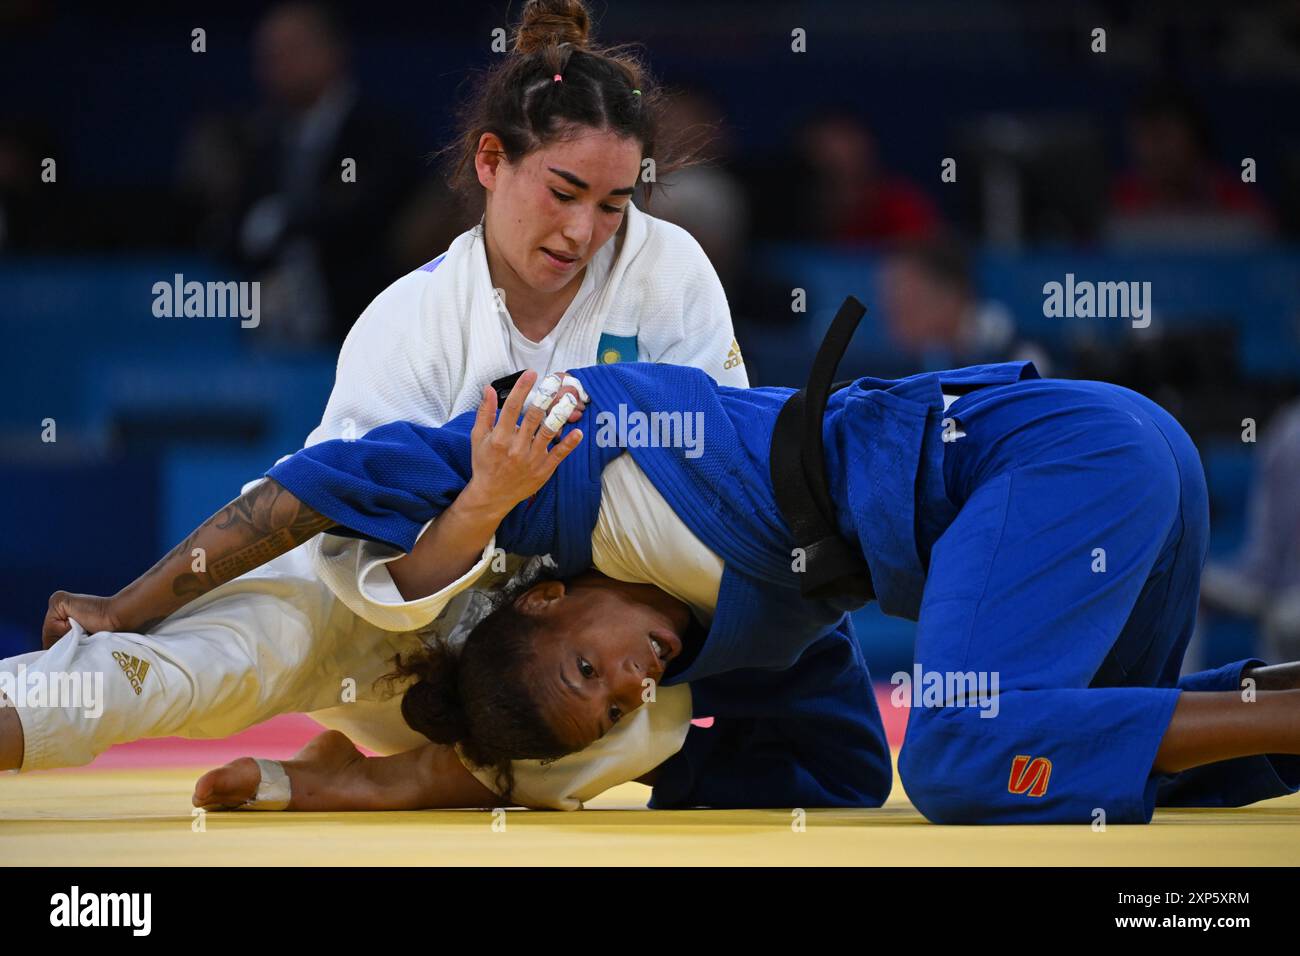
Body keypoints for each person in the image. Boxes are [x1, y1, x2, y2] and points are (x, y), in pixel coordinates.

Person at [8, 0, 751, 813]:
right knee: (168, 675)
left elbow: (720, 484)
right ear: (491, 161)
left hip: (528, 668)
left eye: (612, 204)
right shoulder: (410, 323)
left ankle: (385, 780)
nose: (584, 232)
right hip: (357, 621)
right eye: (563, 191)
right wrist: (484, 502)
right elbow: (318, 511)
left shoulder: (665, 270)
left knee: (650, 715)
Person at [98, 344, 1300, 825]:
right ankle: (1279, 712)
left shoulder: (561, 471)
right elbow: (833, 775)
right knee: (1101, 776)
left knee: (958, 755)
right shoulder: (753, 653)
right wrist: (654, 746)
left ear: (543, 594)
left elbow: (306, 487)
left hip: (1042, 456)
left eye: (590, 667)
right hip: (1124, 470)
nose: (631, 679)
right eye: (616, 702)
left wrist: (126, 609)